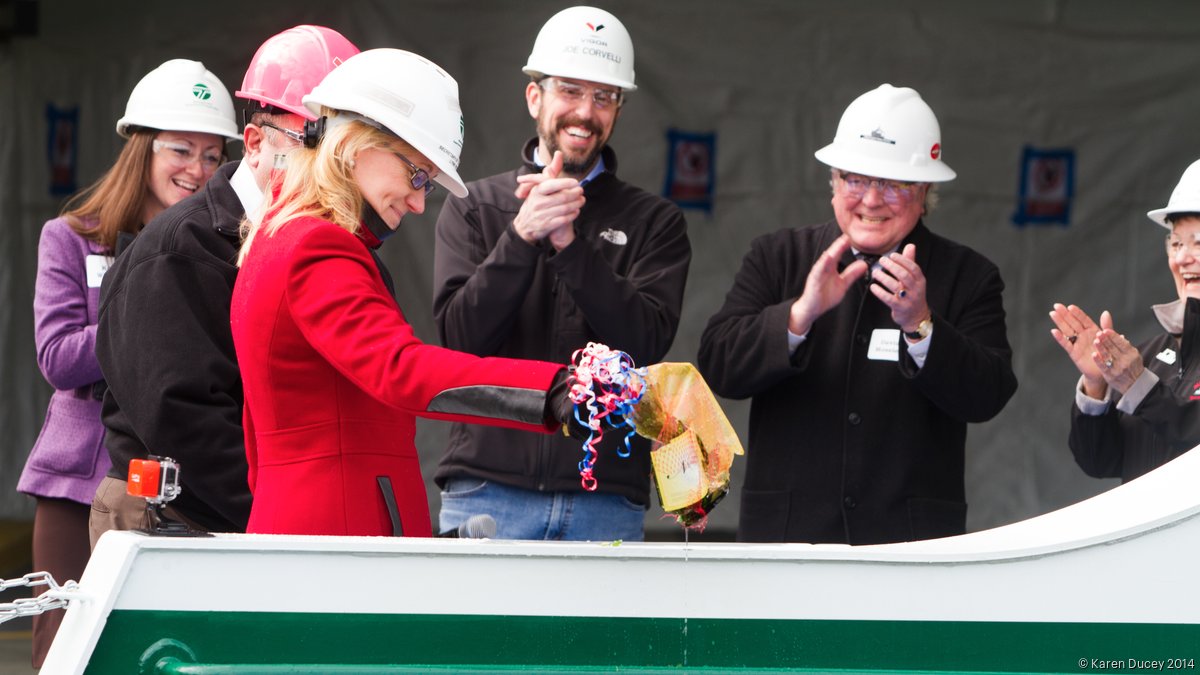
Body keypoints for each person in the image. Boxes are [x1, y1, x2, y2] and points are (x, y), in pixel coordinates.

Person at [230, 48, 580, 538]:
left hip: (318, 527)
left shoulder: (279, 235)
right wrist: (563, 390)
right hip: (339, 534)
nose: (418, 203)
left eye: (428, 185)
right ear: (358, 145)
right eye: (418, 175)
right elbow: (402, 369)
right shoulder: (317, 244)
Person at [697, 84, 1017, 545]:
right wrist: (799, 316)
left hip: (908, 544)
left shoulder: (969, 275)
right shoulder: (778, 256)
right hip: (786, 539)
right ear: (833, 182)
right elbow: (719, 365)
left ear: (924, 191)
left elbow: (989, 395)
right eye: (856, 179)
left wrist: (921, 325)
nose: (870, 200)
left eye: (892, 184)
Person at [431, 6, 691, 541]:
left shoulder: (654, 221)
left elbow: (646, 342)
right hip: (486, 487)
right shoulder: (474, 206)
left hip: (606, 496)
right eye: (570, 91)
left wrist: (570, 245)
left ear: (617, 111)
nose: (585, 112)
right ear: (535, 98)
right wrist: (523, 235)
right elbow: (459, 340)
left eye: (604, 97)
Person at [91, 27, 359, 544]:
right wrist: (282, 511)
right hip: (178, 515)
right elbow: (184, 415)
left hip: (260, 513)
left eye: (342, 150)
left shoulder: (311, 238)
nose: (330, 169)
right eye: (312, 144)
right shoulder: (179, 250)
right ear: (256, 142)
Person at [18, 58, 236, 668]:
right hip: (76, 482)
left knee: (161, 653)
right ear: (142, 149)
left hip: (180, 486)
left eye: (213, 156)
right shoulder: (72, 237)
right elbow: (58, 358)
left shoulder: (229, 249)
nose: (197, 170)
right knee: (63, 652)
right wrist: (147, 314)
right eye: (181, 150)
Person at [1051, 159, 1200, 481]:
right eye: (1176, 243)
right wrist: (1097, 384)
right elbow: (1100, 463)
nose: (1183, 258)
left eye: (1198, 243)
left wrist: (1138, 386)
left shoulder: (1137, 372)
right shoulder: (1146, 356)